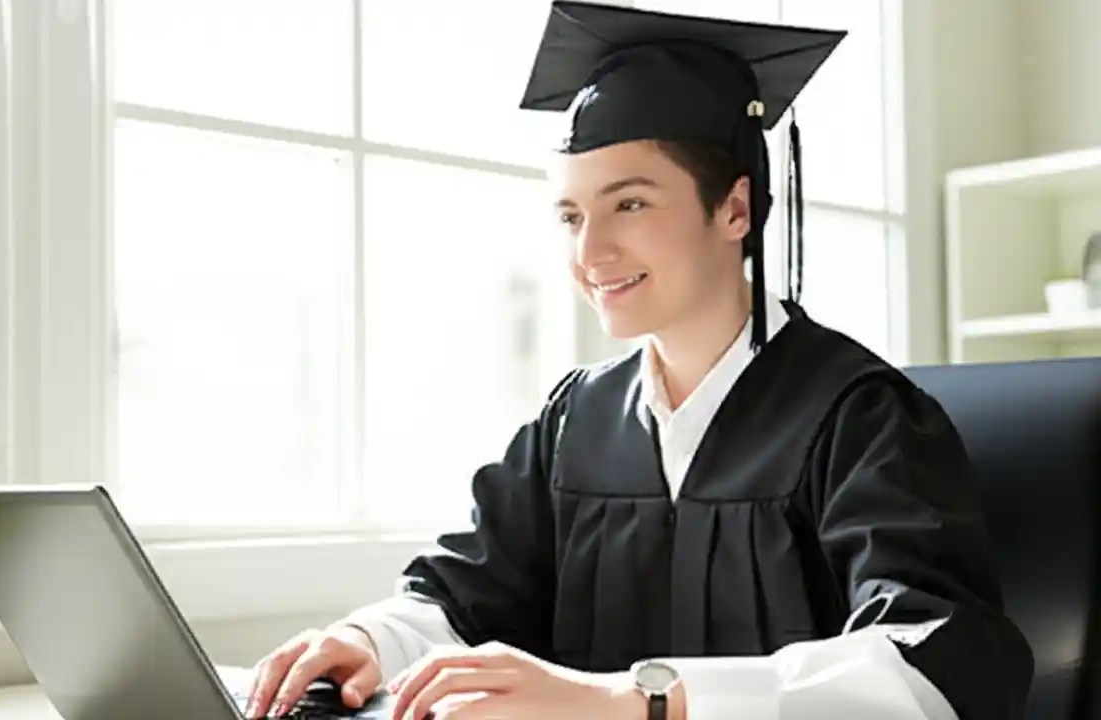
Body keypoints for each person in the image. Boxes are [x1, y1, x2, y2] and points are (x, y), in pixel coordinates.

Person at [245, 3, 1034, 719]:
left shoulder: (861, 417)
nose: (590, 252)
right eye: (570, 214)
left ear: (735, 209)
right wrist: (366, 642)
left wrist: (640, 700)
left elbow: (933, 673)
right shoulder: (576, 420)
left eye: (629, 204)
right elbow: (465, 593)